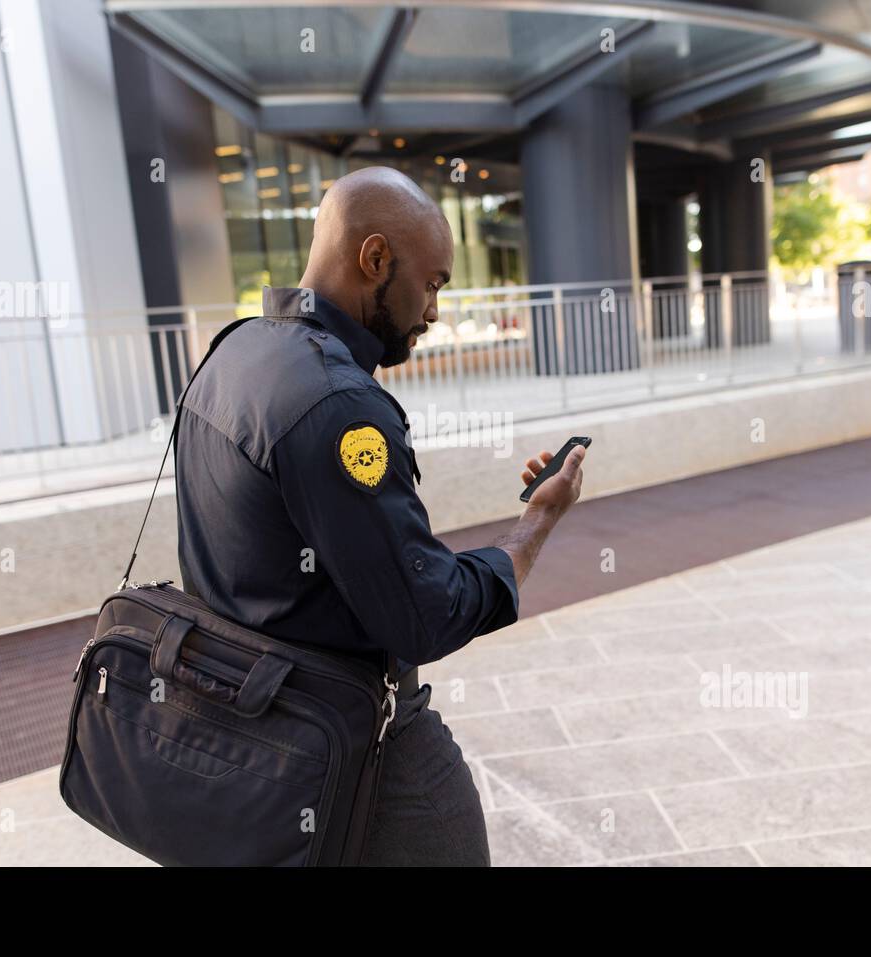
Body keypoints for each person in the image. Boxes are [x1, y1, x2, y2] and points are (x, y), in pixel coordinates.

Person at [174, 166, 587, 866]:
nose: (433, 310)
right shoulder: (339, 405)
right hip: (357, 747)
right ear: (374, 259)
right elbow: (423, 614)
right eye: (431, 283)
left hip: (237, 736)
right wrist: (536, 526)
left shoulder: (232, 353)